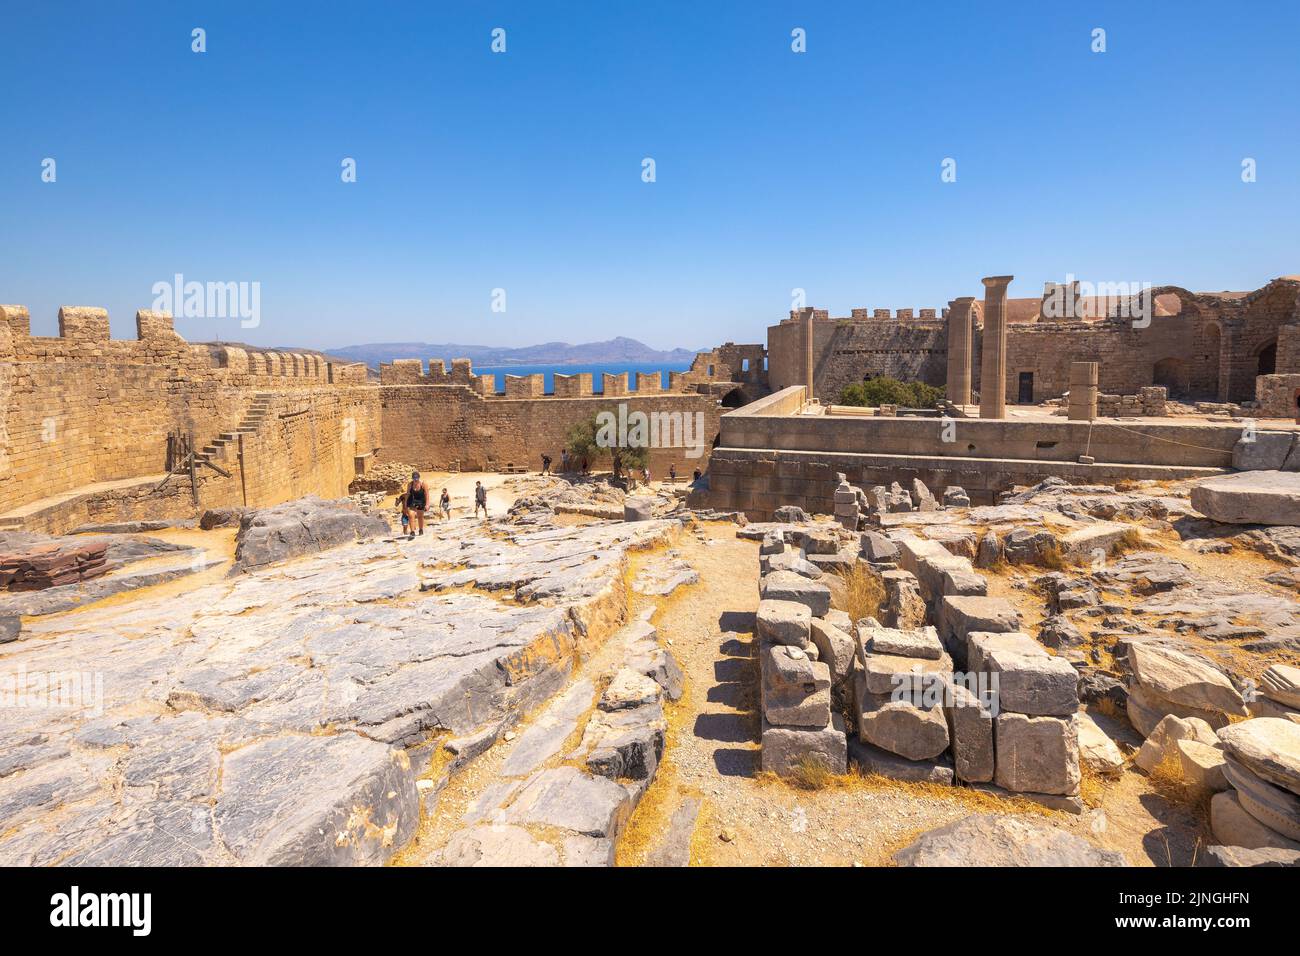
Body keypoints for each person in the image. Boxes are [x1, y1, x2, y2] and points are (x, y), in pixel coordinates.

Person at [404, 471, 428, 538]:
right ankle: (412, 532)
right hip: (412, 500)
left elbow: (427, 494)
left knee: (420, 516)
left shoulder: (423, 484)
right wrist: (405, 504)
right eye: (414, 478)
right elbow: (408, 494)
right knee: (411, 515)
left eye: (417, 478)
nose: (416, 479)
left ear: (419, 478)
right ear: (412, 478)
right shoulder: (410, 484)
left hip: (421, 500)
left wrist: (427, 504)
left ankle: (421, 529)